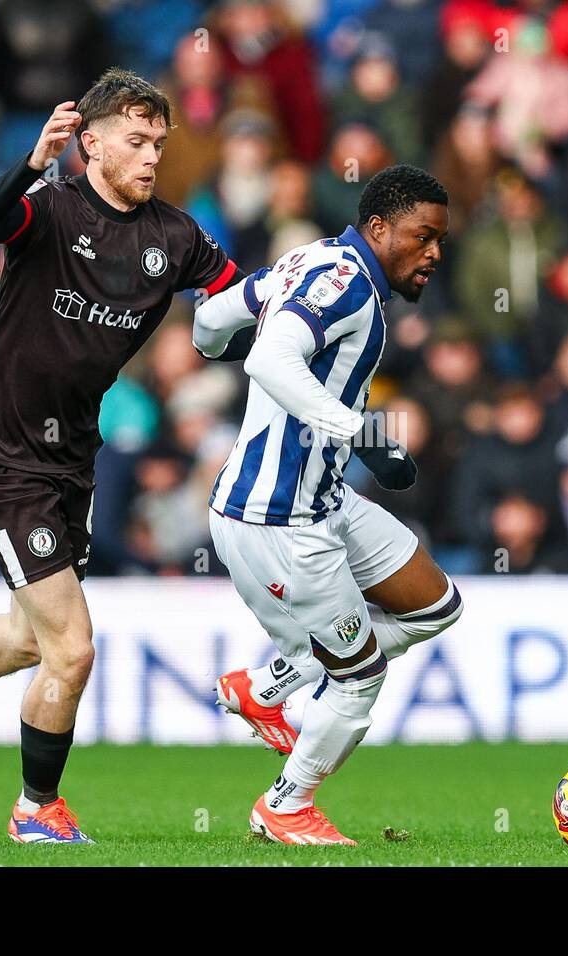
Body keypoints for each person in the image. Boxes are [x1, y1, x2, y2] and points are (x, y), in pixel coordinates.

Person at [0, 69, 242, 845]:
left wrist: (304, 306)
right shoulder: (50, 208)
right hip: (2, 451)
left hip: (73, 455)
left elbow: (238, 303)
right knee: (72, 650)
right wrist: (32, 161)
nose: (149, 157)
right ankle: (34, 810)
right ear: (92, 142)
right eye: (135, 141)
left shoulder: (173, 238)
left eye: (159, 143)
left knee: (25, 640)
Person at [192, 165, 463, 845]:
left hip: (322, 500)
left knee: (436, 605)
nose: (434, 252)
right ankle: (285, 806)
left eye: (440, 240)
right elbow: (269, 362)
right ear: (378, 229)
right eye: (423, 237)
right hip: (275, 520)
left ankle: (268, 684)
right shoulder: (345, 287)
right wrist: (362, 433)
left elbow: (211, 321)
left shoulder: (309, 259)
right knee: (359, 675)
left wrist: (214, 347)